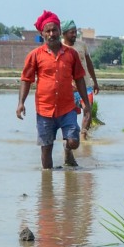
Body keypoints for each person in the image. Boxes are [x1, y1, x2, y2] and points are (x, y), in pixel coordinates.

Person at [17, 11, 90, 169]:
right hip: (45, 110)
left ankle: (67, 149)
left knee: (74, 141)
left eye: (54, 30)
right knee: (46, 150)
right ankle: (47, 188)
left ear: (59, 31)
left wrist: (87, 105)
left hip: (67, 108)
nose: (51, 34)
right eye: (48, 31)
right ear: (42, 34)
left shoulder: (71, 54)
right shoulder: (35, 55)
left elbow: (79, 79)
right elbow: (26, 79)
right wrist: (21, 103)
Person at [62, 20, 100, 139]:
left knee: (88, 110)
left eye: (75, 32)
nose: (74, 34)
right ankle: (71, 138)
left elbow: (89, 64)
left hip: (86, 85)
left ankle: (83, 135)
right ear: (64, 34)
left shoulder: (82, 45)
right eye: (71, 32)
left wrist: (95, 82)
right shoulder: (60, 47)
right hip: (68, 88)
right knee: (69, 115)